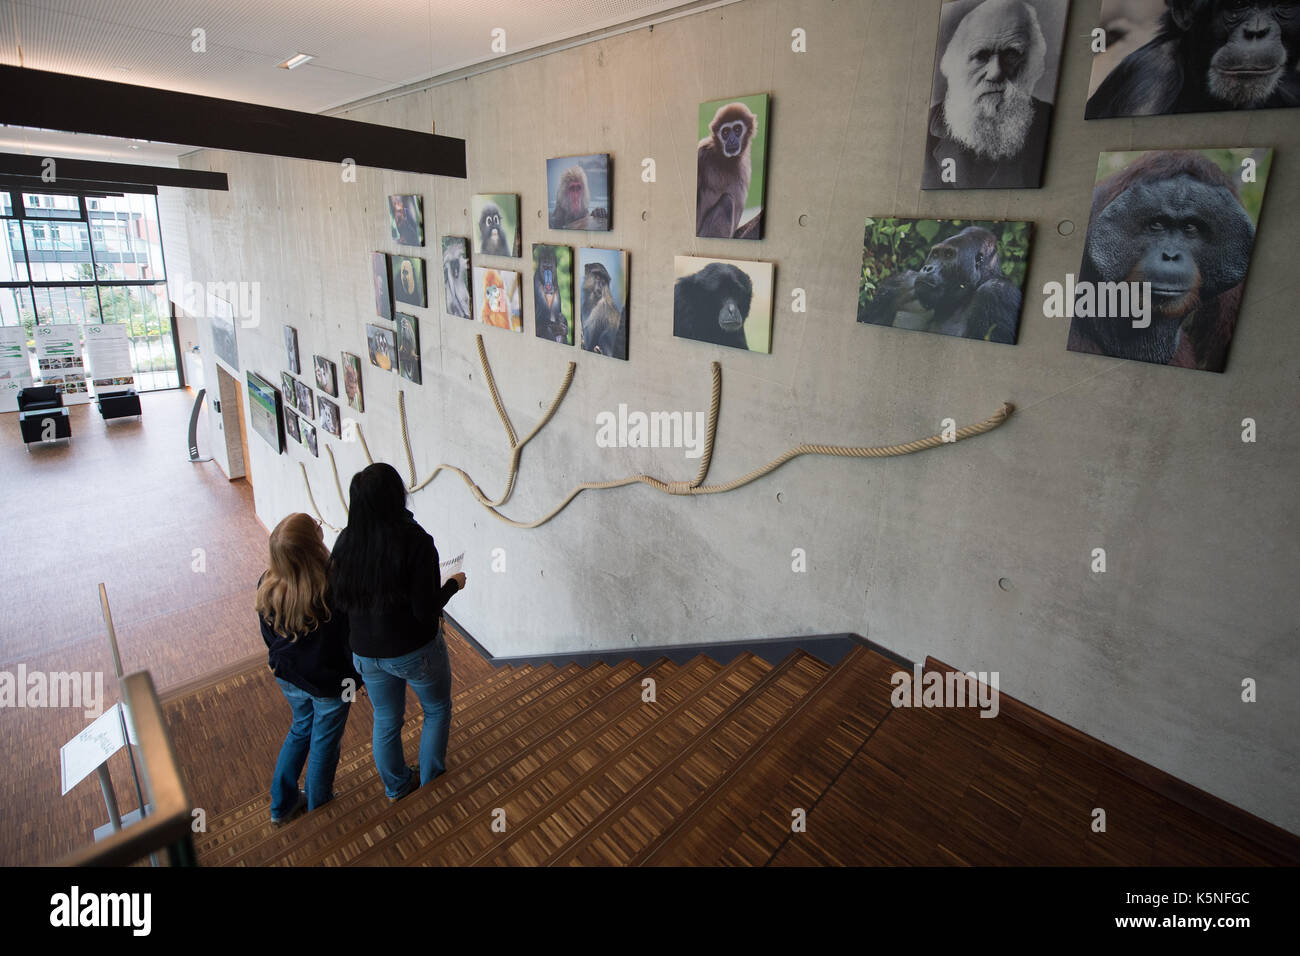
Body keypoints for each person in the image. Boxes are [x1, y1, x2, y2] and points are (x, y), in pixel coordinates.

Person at [330, 463, 467, 802]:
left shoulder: (345, 542)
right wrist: (452, 585)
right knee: (436, 709)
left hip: (365, 652)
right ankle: (432, 780)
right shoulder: (416, 541)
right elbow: (425, 610)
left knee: (387, 719)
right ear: (397, 496)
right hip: (414, 650)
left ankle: (396, 787)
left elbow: (339, 601)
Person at [255, 512, 361, 826]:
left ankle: (282, 805)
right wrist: (355, 681)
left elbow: (268, 637)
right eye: (317, 528)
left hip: (289, 677)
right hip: (330, 685)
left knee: (300, 729)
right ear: (314, 546)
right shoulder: (332, 587)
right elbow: (348, 643)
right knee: (325, 741)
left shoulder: (267, 584)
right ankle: (320, 803)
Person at [922, 0, 1053, 189]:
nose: (995, 72)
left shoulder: (1049, 121)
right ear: (954, 64)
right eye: (980, 56)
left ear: (1031, 64)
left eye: (1011, 54)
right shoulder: (925, 130)